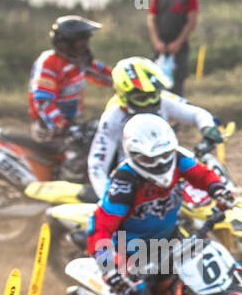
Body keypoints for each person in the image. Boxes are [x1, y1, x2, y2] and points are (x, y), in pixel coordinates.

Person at [87, 114, 237, 295]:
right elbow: (101, 228)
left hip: (169, 237)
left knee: (211, 262)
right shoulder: (125, 182)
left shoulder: (178, 157)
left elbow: (202, 175)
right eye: (149, 160)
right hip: (132, 249)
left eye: (164, 155)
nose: (159, 164)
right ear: (133, 155)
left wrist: (219, 189)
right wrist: (110, 269)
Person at [88, 56, 222, 199]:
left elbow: (197, 113)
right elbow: (97, 167)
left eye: (153, 95)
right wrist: (107, 199)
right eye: (141, 98)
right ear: (123, 95)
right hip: (135, 179)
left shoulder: (163, 100)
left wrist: (207, 127)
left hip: (168, 164)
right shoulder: (113, 117)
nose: (149, 102)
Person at [28, 16, 112, 147]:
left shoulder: (79, 61)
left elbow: (108, 75)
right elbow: (43, 102)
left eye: (86, 42)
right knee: (76, 160)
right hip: (48, 126)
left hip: (73, 122)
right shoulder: (49, 64)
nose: (85, 47)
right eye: (81, 43)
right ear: (66, 44)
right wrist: (63, 125)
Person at [148, 0, 200, 95]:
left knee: (177, 87)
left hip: (179, 49)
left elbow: (191, 21)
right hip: (161, 47)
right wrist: (157, 42)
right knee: (157, 85)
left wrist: (178, 43)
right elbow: (151, 19)